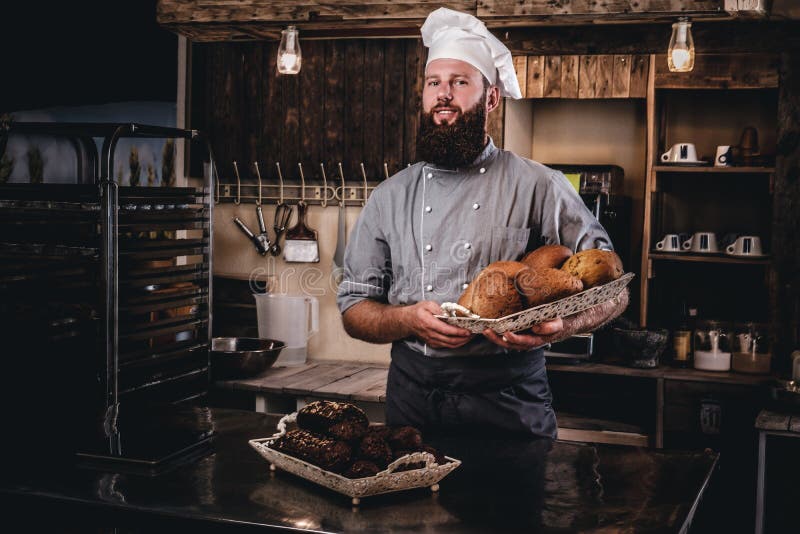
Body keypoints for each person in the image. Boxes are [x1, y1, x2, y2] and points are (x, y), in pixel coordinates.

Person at [336, 7, 628, 439]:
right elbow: (354, 308)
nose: (443, 95)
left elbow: (614, 291)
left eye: (459, 82)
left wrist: (561, 327)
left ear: (491, 98)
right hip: (413, 400)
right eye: (434, 82)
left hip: (508, 401)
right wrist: (408, 320)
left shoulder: (539, 185)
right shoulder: (389, 196)